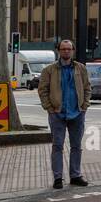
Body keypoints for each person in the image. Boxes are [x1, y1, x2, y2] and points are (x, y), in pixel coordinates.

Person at [38, 39, 92, 189]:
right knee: (57, 146)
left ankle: (75, 175)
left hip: (77, 113)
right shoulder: (49, 70)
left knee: (76, 146)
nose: (66, 51)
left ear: (73, 50)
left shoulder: (81, 68)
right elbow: (42, 90)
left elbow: (87, 88)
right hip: (57, 114)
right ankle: (58, 178)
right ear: (58, 51)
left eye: (69, 49)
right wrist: (49, 108)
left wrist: (84, 106)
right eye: (63, 49)